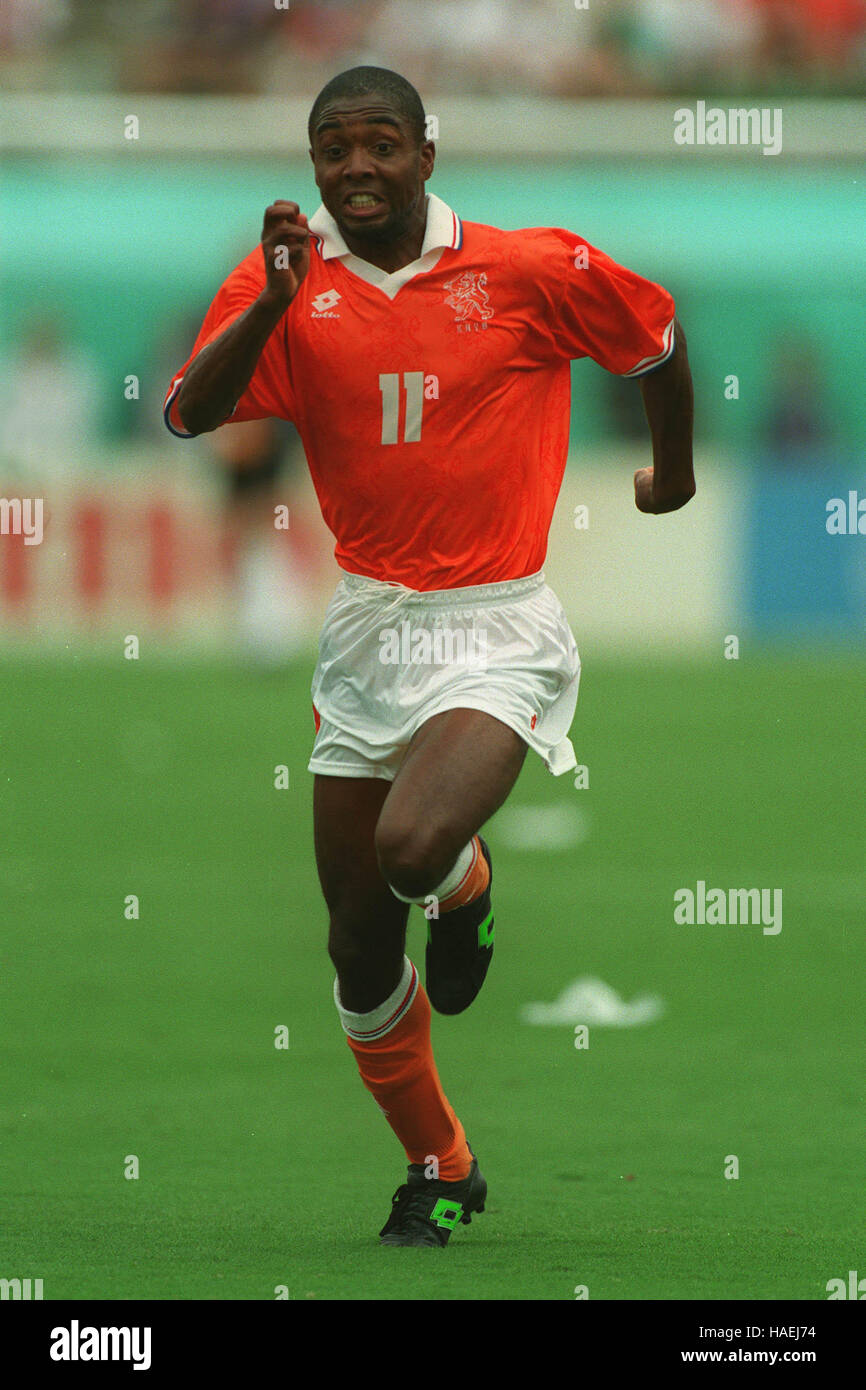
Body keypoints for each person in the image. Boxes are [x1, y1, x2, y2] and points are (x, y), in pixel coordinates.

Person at [163, 65, 695, 1248]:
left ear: (425, 154)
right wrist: (269, 306)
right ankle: (440, 1162)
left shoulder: (528, 269)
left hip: (495, 622)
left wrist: (673, 474)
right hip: (365, 630)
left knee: (408, 843)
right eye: (332, 149)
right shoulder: (283, 280)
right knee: (356, 950)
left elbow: (653, 337)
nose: (355, 169)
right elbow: (191, 415)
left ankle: (461, 879)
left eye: (379, 146)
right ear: (311, 165)